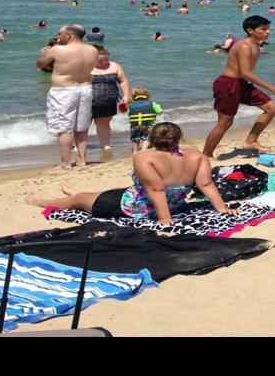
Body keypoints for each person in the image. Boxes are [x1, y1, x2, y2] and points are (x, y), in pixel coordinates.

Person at [26, 122, 236, 227]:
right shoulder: (197, 156)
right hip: (174, 205)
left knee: (79, 200)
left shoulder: (144, 157)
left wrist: (165, 220)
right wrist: (223, 209)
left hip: (135, 209)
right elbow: (206, 184)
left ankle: (41, 201)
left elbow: (156, 189)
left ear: (152, 138)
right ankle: (78, 194)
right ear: (179, 138)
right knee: (107, 193)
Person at [202, 15, 275, 156]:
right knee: (225, 122)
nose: (268, 32)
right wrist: (273, 88)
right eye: (263, 29)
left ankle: (251, 141)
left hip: (241, 84)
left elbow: (244, 75)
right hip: (227, 84)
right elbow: (246, 73)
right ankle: (206, 155)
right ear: (250, 30)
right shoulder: (244, 46)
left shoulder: (256, 47)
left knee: (272, 108)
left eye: (268, 29)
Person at [36, 24, 99, 168]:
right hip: (85, 88)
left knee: (63, 127)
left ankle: (65, 163)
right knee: (81, 126)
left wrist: (45, 53)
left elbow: (40, 64)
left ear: (68, 36)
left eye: (60, 34)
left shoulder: (57, 50)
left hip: (64, 90)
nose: (58, 37)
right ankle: (82, 160)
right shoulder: (93, 50)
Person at [90, 47, 131, 159]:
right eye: (100, 60)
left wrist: (127, 96)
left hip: (108, 100)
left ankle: (105, 144)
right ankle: (78, 145)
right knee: (83, 124)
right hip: (86, 100)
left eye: (106, 60)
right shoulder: (85, 66)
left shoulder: (115, 66)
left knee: (104, 123)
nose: (103, 63)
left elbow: (123, 81)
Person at [126, 87, 164, 152]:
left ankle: (135, 151)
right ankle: (144, 150)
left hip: (135, 126)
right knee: (147, 139)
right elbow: (160, 112)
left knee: (135, 139)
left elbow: (129, 114)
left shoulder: (130, 105)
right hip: (148, 126)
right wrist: (158, 108)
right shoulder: (152, 103)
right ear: (147, 95)